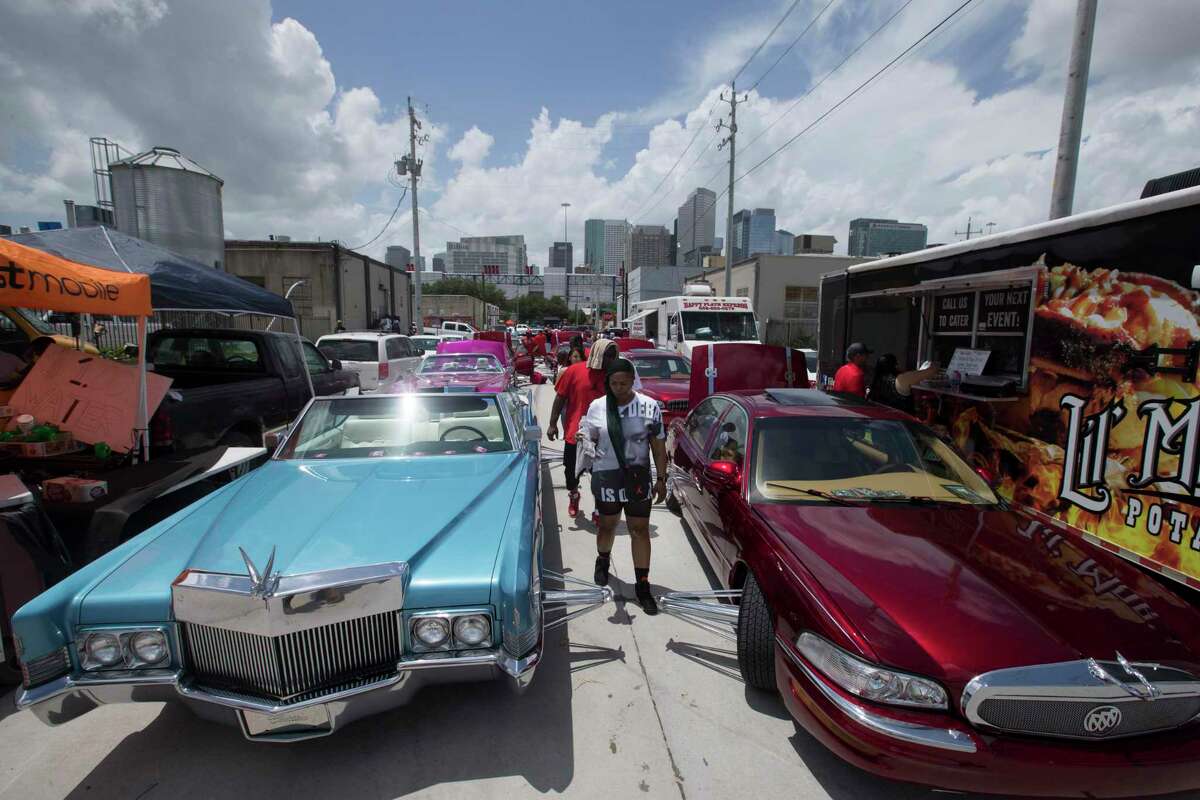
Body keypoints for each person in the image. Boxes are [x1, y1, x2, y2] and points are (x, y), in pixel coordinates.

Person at [579, 357, 668, 614]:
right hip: (607, 475)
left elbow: (658, 446)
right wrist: (584, 438)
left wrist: (662, 478)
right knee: (607, 525)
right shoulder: (597, 407)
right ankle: (603, 559)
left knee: (639, 529)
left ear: (633, 381)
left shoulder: (649, 407)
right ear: (608, 382)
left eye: (624, 383)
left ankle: (642, 585)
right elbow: (590, 436)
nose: (618, 388)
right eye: (614, 383)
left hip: (638, 477)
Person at [548, 338, 618, 520]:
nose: (610, 359)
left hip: (603, 435)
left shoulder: (615, 376)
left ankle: (598, 509)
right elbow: (560, 398)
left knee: (601, 475)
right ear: (597, 353)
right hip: (576, 433)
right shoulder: (573, 371)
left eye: (613, 355)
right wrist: (552, 423)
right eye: (607, 354)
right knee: (571, 473)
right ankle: (574, 494)